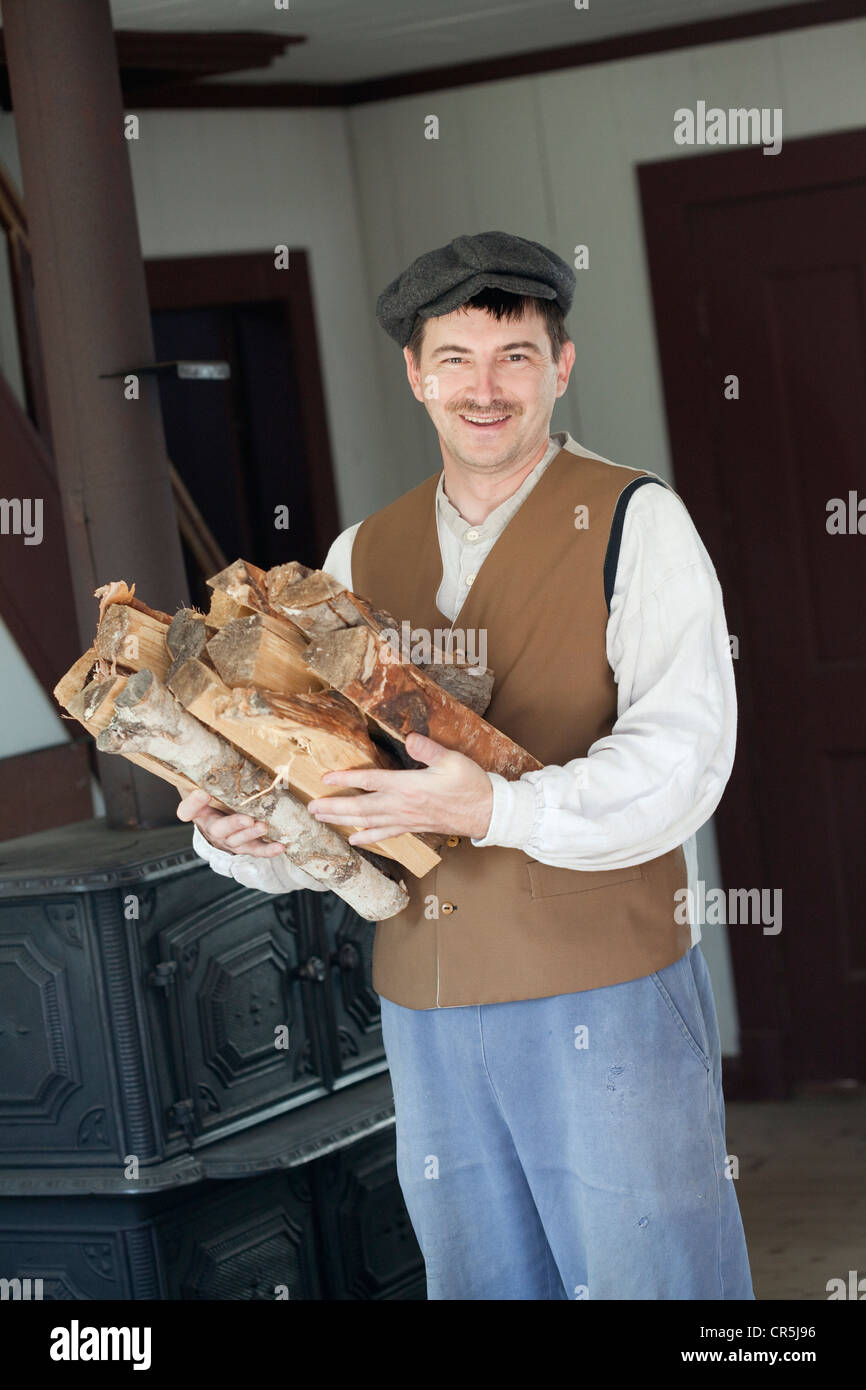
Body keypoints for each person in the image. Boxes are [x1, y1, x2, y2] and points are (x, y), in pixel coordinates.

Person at [179, 230, 754, 1301]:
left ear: (560, 366)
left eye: (515, 357)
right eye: (453, 358)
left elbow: (682, 761)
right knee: (481, 1280)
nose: (482, 389)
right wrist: (252, 831)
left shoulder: (638, 521)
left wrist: (495, 806)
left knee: (654, 1278)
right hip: (427, 1007)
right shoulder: (355, 556)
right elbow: (338, 791)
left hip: (604, 986)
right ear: (413, 373)